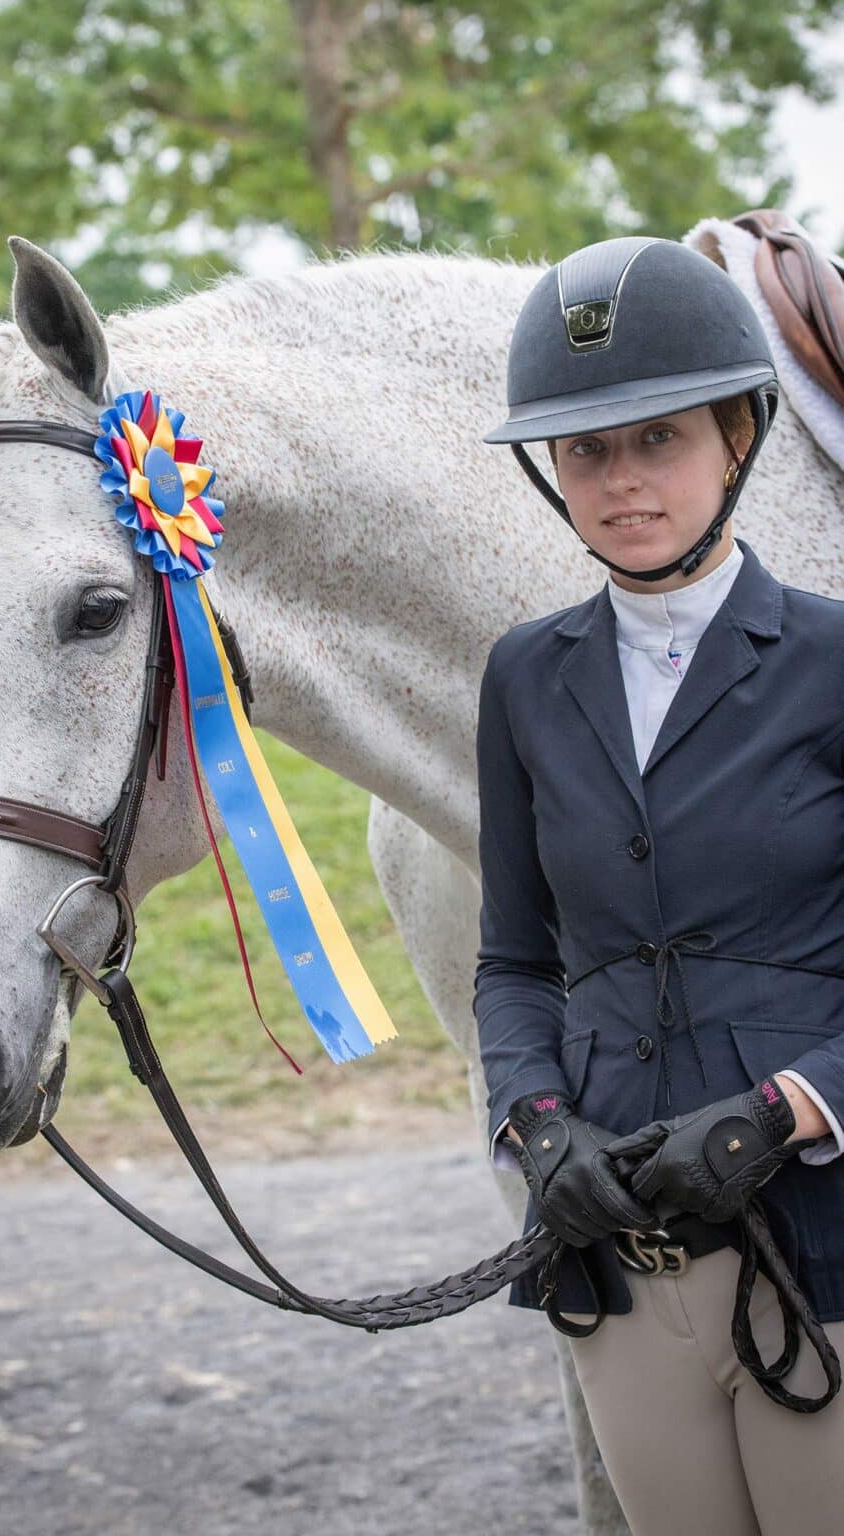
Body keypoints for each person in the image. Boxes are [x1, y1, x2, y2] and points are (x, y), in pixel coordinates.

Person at [474, 235, 844, 1535]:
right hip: (618, 1252)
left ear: (738, 437)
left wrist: (788, 1109)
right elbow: (516, 960)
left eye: (661, 439)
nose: (623, 484)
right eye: (587, 452)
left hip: (820, 1238)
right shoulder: (524, 677)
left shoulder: (833, 657)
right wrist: (533, 1123)